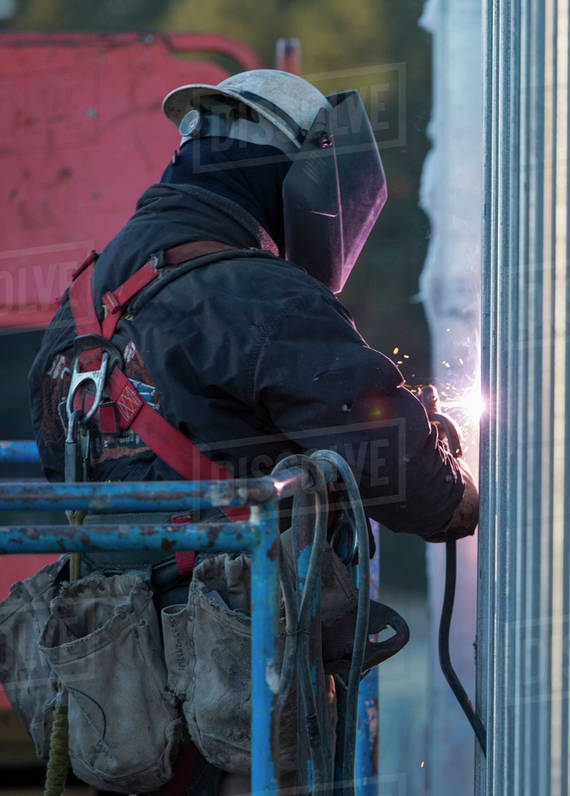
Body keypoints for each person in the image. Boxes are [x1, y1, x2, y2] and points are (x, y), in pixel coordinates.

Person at [20, 69, 478, 792]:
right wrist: (461, 483)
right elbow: (412, 479)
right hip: (233, 694)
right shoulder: (258, 295)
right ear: (293, 175)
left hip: (112, 700)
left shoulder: (80, 305)